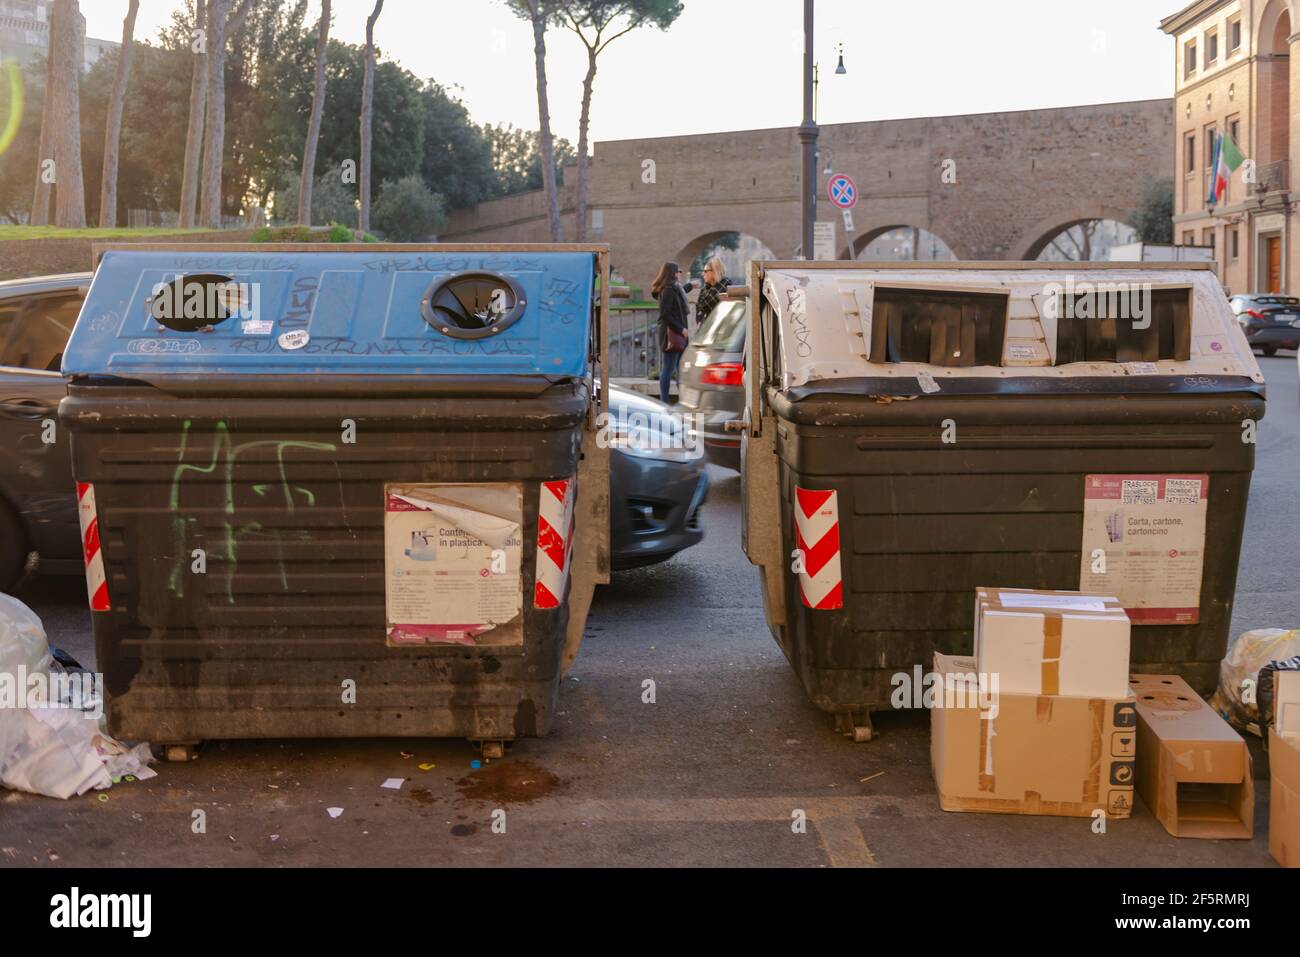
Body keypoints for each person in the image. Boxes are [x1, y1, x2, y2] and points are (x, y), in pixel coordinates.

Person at [651, 261, 689, 404]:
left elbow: (681, 294)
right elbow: (665, 314)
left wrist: (692, 286)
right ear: (673, 273)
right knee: (668, 369)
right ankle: (664, 401)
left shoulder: (674, 288)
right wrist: (681, 329)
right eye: (678, 271)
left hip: (678, 335)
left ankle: (683, 400)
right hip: (672, 335)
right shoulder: (667, 290)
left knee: (680, 369)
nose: (680, 274)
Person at [693, 256, 729, 328]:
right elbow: (699, 307)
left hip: (721, 327)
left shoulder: (725, 285)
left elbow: (705, 305)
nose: (703, 274)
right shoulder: (706, 288)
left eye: (705, 271)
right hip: (706, 327)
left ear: (714, 271)